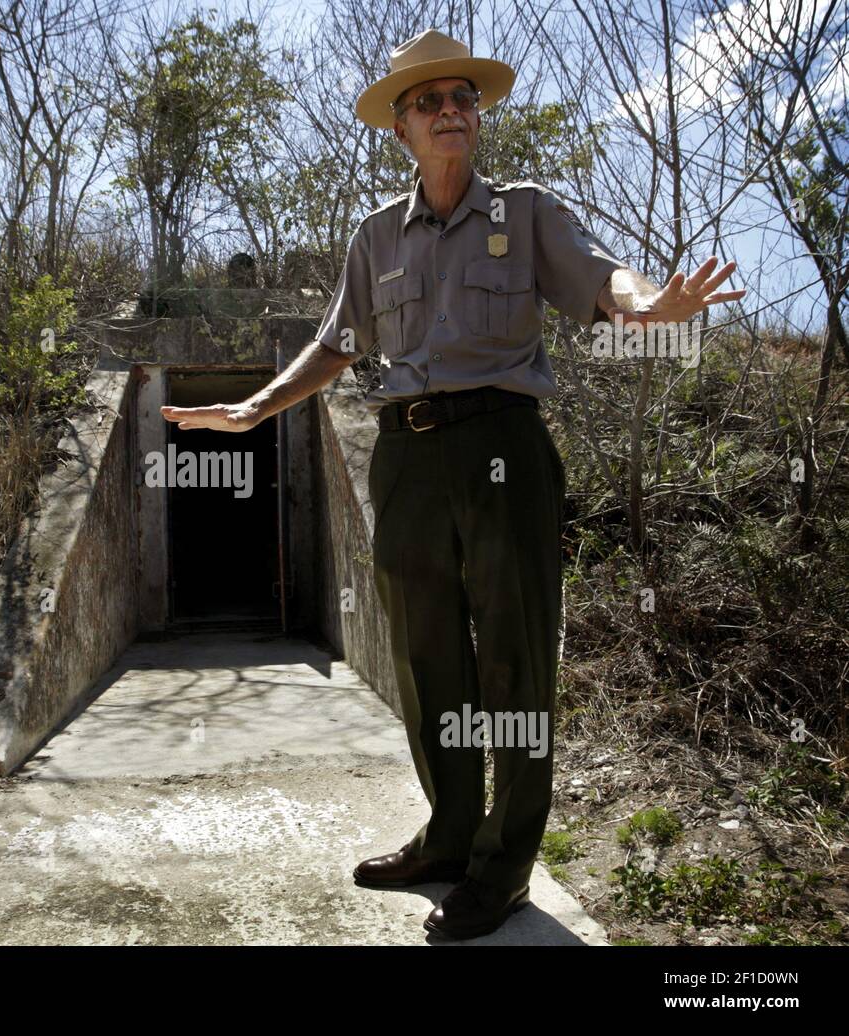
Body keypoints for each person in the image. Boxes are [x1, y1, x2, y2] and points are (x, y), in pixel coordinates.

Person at [161, 29, 744, 939]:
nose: (448, 112)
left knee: (513, 657)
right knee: (429, 657)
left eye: (462, 99)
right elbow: (336, 346)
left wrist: (650, 305)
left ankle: (504, 866)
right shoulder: (373, 237)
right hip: (406, 455)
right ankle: (447, 835)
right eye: (428, 101)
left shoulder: (525, 213)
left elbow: (601, 279)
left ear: (476, 119)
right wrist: (254, 410)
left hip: (501, 445)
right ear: (401, 128)